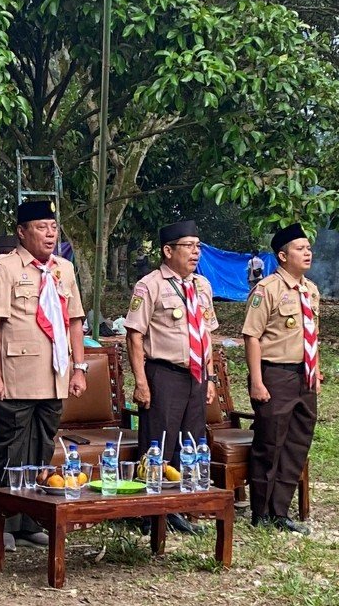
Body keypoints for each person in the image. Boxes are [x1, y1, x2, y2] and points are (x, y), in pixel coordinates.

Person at [0, 200, 86, 552]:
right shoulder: (3, 267)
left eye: (53, 228)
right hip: (16, 375)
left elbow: (75, 321)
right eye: (42, 227)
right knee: (10, 449)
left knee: (42, 447)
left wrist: (79, 368)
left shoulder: (63, 269)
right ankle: (3, 522)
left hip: (53, 375)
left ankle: (30, 519)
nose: (50, 234)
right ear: (22, 232)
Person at [124, 220, 218, 535]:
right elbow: (134, 336)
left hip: (196, 375)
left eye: (198, 246)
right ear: (167, 250)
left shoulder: (202, 285)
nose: (195, 252)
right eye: (188, 246)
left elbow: (206, 334)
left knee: (188, 442)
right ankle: (150, 513)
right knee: (158, 443)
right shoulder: (149, 285)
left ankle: (176, 508)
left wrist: (210, 377)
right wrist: (141, 382)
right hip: (164, 374)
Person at [242, 223, 319, 535]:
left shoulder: (310, 290)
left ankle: (280, 511)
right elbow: (251, 336)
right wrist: (257, 381)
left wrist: (315, 368)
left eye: (308, 248)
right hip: (275, 374)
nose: (307, 253)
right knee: (270, 443)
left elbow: (311, 334)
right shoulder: (267, 289)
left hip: (305, 377)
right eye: (300, 249)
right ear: (283, 256)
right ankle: (260, 511)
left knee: (297, 443)